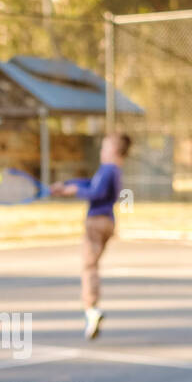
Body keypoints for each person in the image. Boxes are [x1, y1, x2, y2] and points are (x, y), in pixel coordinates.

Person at [51, 132, 130, 339]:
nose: (101, 151)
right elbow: (89, 183)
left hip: (96, 222)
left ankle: (91, 308)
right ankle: (91, 309)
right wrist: (67, 185)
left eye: (104, 147)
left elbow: (95, 193)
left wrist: (74, 190)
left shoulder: (108, 169)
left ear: (114, 150)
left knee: (88, 266)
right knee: (91, 264)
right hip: (108, 222)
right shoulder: (112, 171)